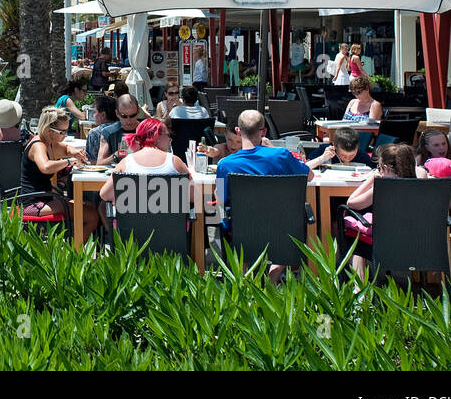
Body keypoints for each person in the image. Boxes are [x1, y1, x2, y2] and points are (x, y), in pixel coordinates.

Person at [214, 110, 314, 281]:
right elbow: (309, 176)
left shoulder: (225, 164)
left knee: (235, 222)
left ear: (238, 131)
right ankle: (272, 279)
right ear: (264, 132)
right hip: (282, 228)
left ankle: (244, 281)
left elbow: (221, 199)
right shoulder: (281, 156)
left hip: (242, 229)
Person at [343, 143, 419, 276]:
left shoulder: (382, 188)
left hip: (384, 243)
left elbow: (352, 203)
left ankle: (360, 288)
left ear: (385, 168)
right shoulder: (421, 186)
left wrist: (371, 179)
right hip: (416, 242)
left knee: (355, 242)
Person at [19, 106, 88, 224]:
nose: (65, 135)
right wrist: (69, 161)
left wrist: (75, 152)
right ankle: (76, 242)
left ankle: (74, 240)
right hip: (32, 204)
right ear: (48, 130)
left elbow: (66, 149)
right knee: (89, 215)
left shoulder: (49, 143)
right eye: (62, 132)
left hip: (44, 198)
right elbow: (45, 167)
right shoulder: (38, 146)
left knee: (87, 207)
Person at [98, 116, 191, 203]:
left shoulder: (126, 162)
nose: (170, 139)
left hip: (132, 220)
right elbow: (194, 196)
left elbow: (105, 195)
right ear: (157, 136)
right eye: (167, 135)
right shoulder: (174, 162)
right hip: (170, 219)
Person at [93, 93, 142, 166]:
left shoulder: (147, 130)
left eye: (132, 116)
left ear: (138, 112)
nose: (129, 121)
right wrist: (118, 154)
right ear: (117, 113)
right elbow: (100, 163)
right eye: (124, 116)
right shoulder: (108, 132)